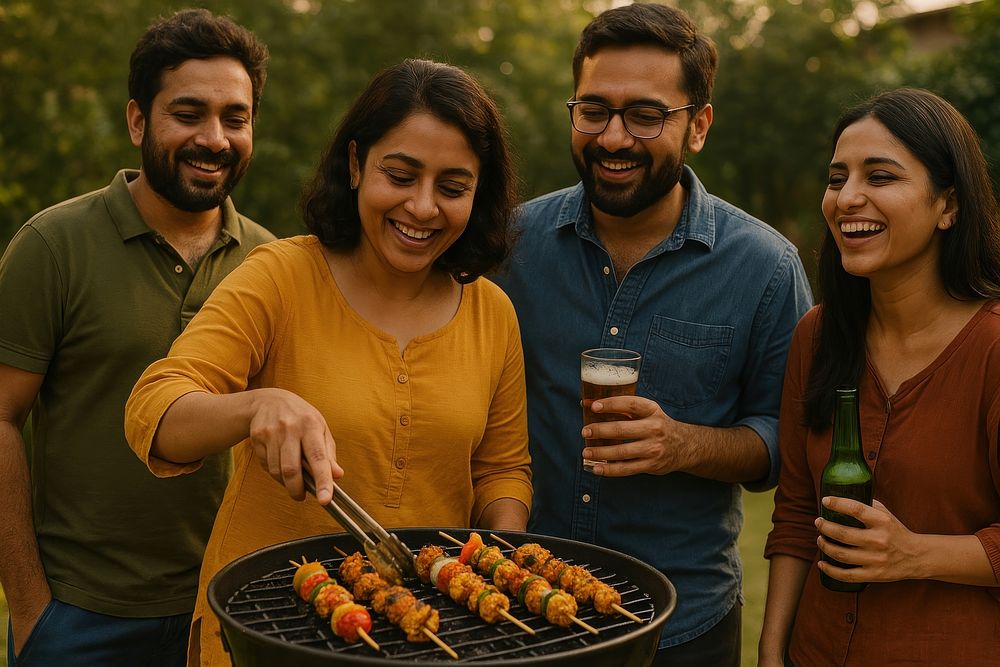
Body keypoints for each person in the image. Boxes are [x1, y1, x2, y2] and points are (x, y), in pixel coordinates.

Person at [124, 58, 532, 666]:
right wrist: (256, 406)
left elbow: (502, 470)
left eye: (453, 187)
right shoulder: (281, 277)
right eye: (400, 175)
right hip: (263, 633)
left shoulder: (491, 313)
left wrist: (496, 561)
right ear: (355, 165)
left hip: (422, 636)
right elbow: (155, 407)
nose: (422, 208)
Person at [495, 4, 813, 665]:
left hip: (684, 627)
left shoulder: (764, 266)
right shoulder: (510, 245)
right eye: (593, 110)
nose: (613, 138)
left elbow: (791, 447)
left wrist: (683, 444)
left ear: (698, 125)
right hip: (521, 617)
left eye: (645, 115)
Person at [0, 8, 274, 667]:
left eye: (235, 118)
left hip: (226, 611)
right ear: (136, 120)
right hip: (79, 616)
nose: (214, 137)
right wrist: (34, 607)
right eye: (188, 113)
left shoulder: (273, 263)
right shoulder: (53, 245)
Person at [759, 87, 1000, 666]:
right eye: (837, 177)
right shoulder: (817, 336)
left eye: (881, 177)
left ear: (949, 205)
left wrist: (915, 554)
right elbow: (796, 513)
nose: (848, 198)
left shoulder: (992, 347)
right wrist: (770, 654)